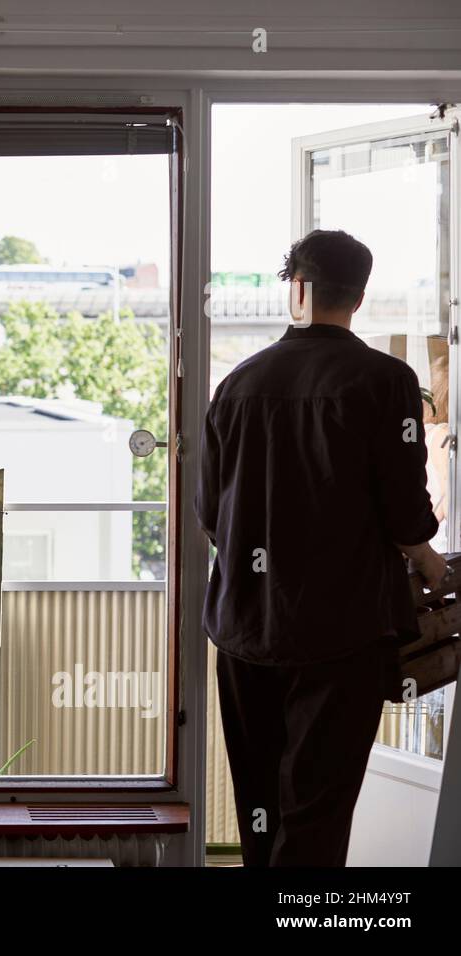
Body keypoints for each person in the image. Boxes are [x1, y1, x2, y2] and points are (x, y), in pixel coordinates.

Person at [194, 229, 448, 867]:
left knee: (261, 803)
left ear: (296, 290)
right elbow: (405, 513)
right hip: (342, 633)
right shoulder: (386, 381)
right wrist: (427, 559)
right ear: (359, 298)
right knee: (319, 806)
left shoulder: (237, 384)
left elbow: (211, 515)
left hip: (245, 628)